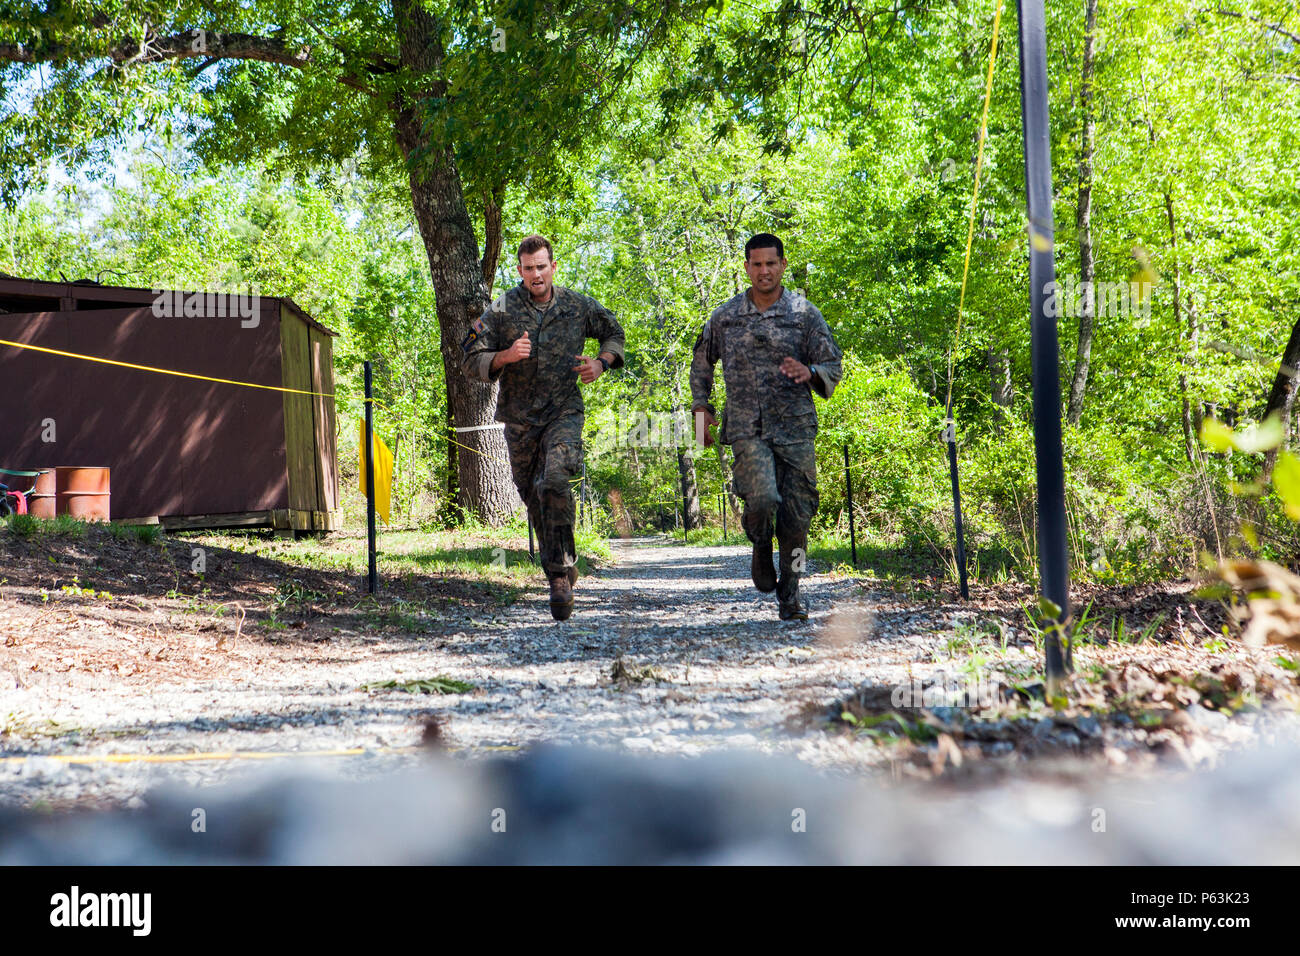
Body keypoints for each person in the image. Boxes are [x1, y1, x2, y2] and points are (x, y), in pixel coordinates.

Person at [461, 234, 625, 620]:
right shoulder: (501, 309)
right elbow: (468, 355)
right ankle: (563, 561)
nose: (536, 275)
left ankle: (557, 578)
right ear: (519, 270)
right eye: (529, 268)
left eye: (542, 266)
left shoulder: (577, 305)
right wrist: (504, 355)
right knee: (534, 497)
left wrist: (601, 363)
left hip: (564, 413)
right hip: (520, 421)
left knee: (553, 482)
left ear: (553, 266)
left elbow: (614, 333)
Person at [690, 233, 843, 620]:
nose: (764, 271)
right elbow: (702, 363)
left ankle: (790, 596)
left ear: (782, 265)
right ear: (746, 267)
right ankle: (759, 542)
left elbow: (832, 367)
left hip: (795, 429)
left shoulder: (804, 314)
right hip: (747, 427)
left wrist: (809, 372)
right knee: (762, 500)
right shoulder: (725, 317)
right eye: (756, 264)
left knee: (797, 518)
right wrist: (700, 411)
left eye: (771, 263)